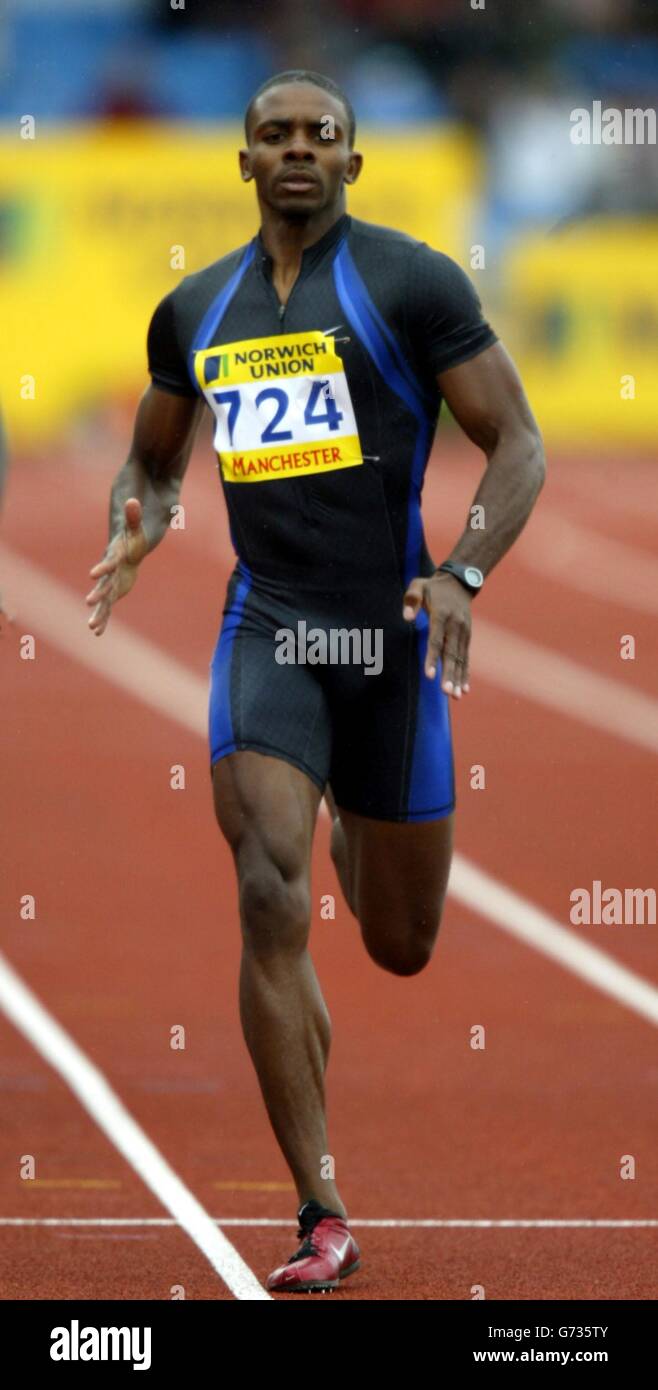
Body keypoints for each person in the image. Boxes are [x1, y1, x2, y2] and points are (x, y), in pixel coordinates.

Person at [86, 69, 545, 1294]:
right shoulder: (194, 309)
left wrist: (462, 576)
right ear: (242, 162)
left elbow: (520, 438)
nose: (297, 150)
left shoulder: (412, 284)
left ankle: (352, 804)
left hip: (390, 635)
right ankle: (321, 1209)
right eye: (273, 135)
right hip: (272, 629)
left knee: (399, 942)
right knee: (268, 890)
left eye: (320, 135)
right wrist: (140, 515)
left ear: (353, 161)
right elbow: (151, 450)